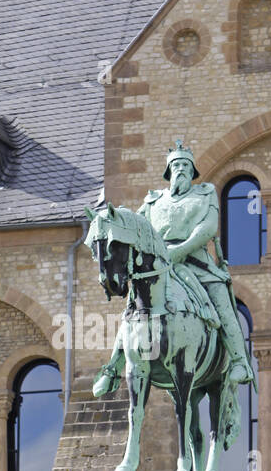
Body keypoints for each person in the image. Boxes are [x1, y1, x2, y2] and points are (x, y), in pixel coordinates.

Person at [93, 141, 253, 396]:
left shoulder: (205, 194)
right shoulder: (153, 201)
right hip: (159, 266)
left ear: (192, 172)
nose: (181, 169)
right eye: (176, 165)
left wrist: (181, 250)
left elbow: (208, 228)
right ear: (169, 172)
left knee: (222, 304)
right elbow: (135, 226)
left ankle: (239, 361)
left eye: (186, 166)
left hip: (196, 262)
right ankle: (113, 367)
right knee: (133, 309)